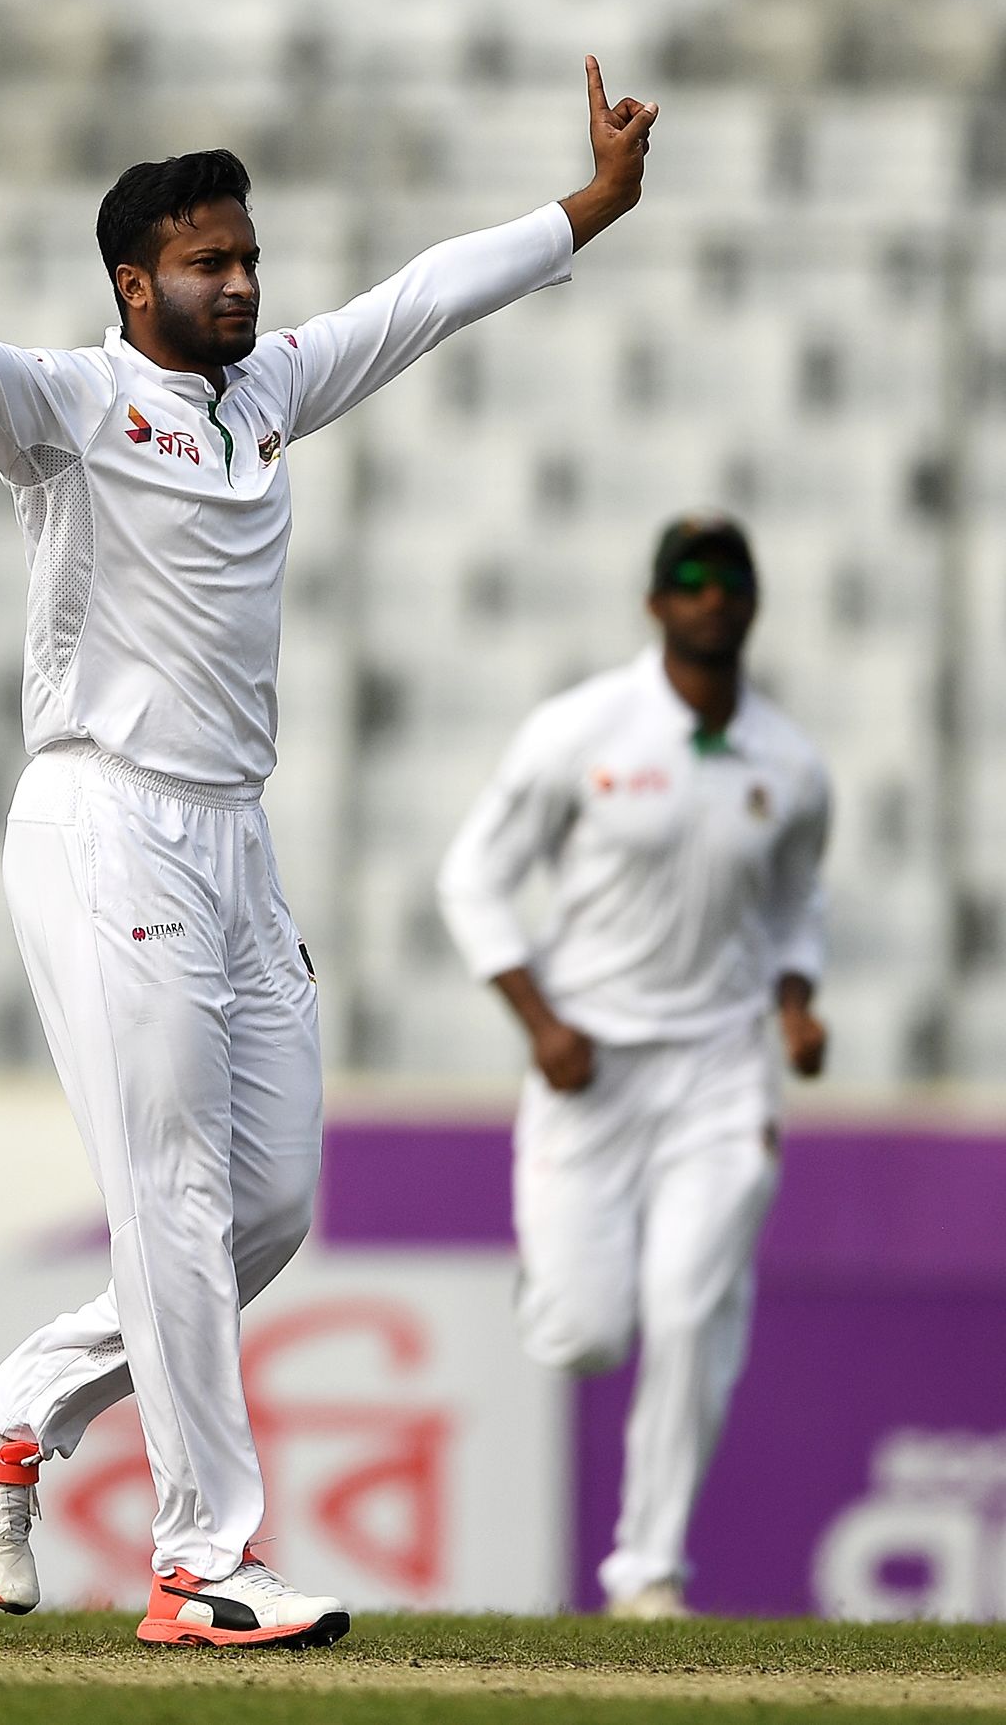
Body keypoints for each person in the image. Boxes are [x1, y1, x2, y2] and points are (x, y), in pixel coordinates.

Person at [0, 55, 658, 1647]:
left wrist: (589, 208)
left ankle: (4, 1411)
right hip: (106, 819)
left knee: (265, 1204)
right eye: (210, 263)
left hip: (236, 842)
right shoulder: (71, 407)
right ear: (137, 284)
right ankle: (202, 1558)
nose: (244, 282)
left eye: (250, 256)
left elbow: (423, 298)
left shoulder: (268, 394)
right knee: (178, 1198)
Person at [437, 514, 831, 1620]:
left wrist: (796, 1005)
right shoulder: (582, 729)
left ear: (752, 602)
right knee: (585, 1332)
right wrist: (539, 1022)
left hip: (721, 1072)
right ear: (656, 601)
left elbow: (796, 905)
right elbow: (472, 877)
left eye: (729, 579)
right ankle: (555, 1278)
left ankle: (647, 1572)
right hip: (590, 1064)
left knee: (690, 1308)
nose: (711, 596)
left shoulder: (792, 764)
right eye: (689, 579)